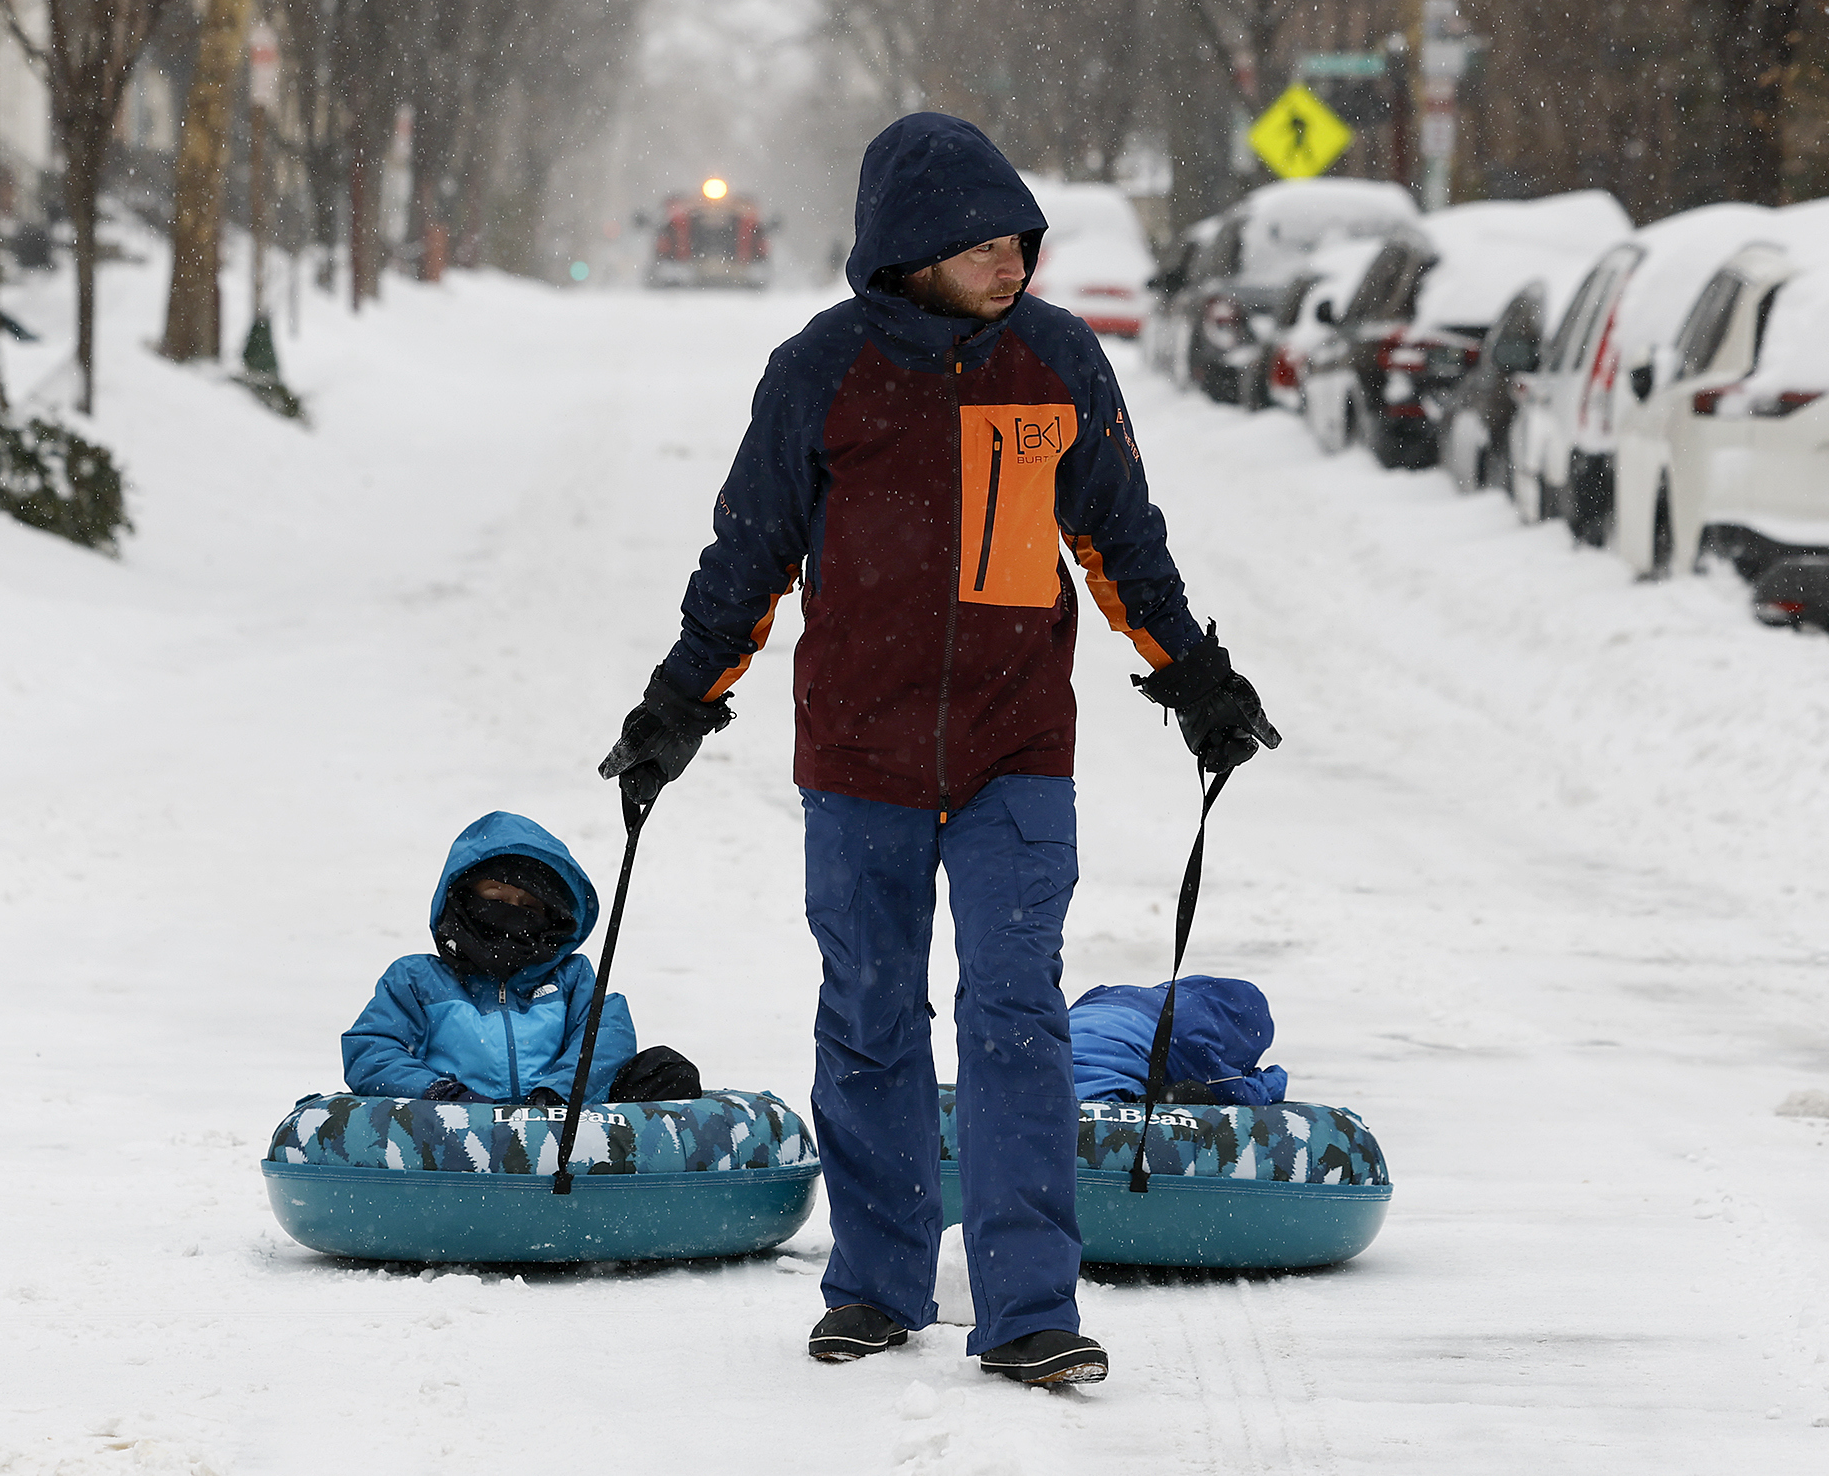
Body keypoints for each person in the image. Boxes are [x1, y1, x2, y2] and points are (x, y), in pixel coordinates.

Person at [598, 114, 1277, 1386]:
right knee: (868, 1016)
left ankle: (1028, 1304)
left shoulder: (1057, 361)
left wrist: (1194, 676)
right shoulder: (822, 373)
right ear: (911, 251)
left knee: (1017, 1015)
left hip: (1019, 746)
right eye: (981, 243)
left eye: (1019, 237)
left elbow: (1123, 540)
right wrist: (677, 704)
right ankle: (875, 1284)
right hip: (859, 756)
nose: (1012, 260)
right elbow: (748, 560)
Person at [342, 812, 700, 1106]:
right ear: (464, 897)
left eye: (528, 906)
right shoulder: (417, 979)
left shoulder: (571, 978)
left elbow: (606, 1036)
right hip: (447, 1138)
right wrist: (444, 1095)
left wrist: (554, 1096)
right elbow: (372, 1049)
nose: (511, 914)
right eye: (497, 896)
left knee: (666, 1071)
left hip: (560, 1131)